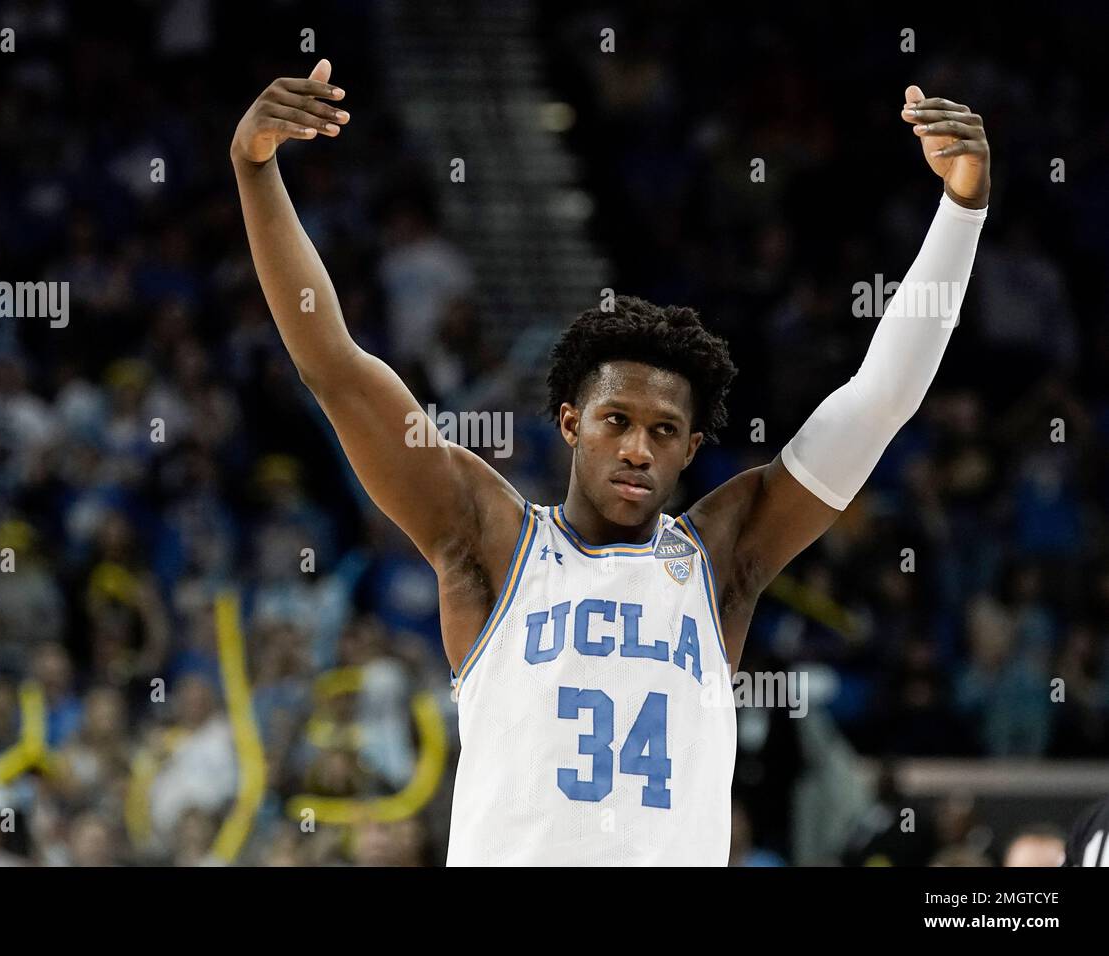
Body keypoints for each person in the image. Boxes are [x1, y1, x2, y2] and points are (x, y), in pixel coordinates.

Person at [230, 59, 990, 865]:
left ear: (693, 449)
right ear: (570, 424)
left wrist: (962, 208)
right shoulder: (488, 541)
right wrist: (254, 170)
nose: (637, 447)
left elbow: (878, 401)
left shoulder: (721, 557)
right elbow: (336, 368)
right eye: (616, 421)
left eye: (665, 432)